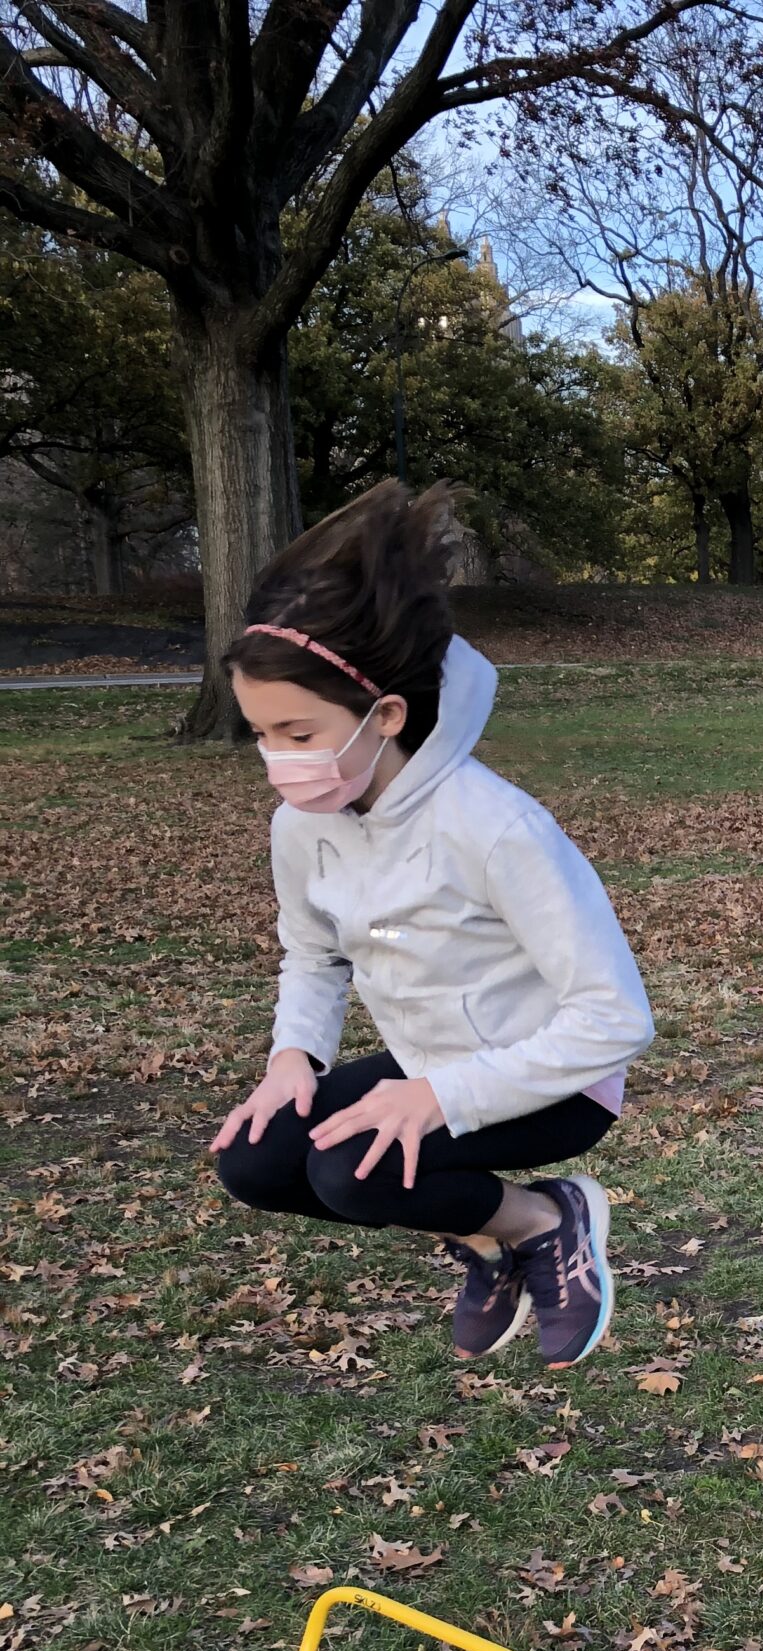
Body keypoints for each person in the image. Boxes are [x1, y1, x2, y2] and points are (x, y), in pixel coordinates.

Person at [210, 480, 654, 1371]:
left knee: (355, 1170)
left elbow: (616, 1021)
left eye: (298, 734)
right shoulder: (301, 827)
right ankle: (489, 1240)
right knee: (256, 1161)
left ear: (385, 717)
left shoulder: (498, 827)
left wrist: (441, 1099)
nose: (275, 762)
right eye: (260, 734)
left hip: (554, 1083)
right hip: (428, 1070)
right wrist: (292, 1058)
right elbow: (312, 954)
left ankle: (543, 1219)